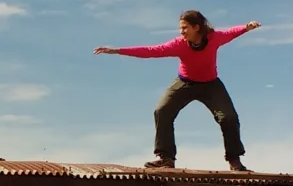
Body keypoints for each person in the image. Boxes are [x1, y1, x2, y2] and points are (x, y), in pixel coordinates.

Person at [95, 10, 262, 171]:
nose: (181, 31)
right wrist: (117, 50)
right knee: (162, 110)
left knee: (229, 118)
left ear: (196, 27)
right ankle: (166, 158)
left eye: (184, 27)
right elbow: (151, 51)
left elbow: (230, 33)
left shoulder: (213, 38)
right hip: (184, 83)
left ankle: (234, 160)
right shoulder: (179, 45)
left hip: (211, 85)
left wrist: (246, 27)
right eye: (180, 28)